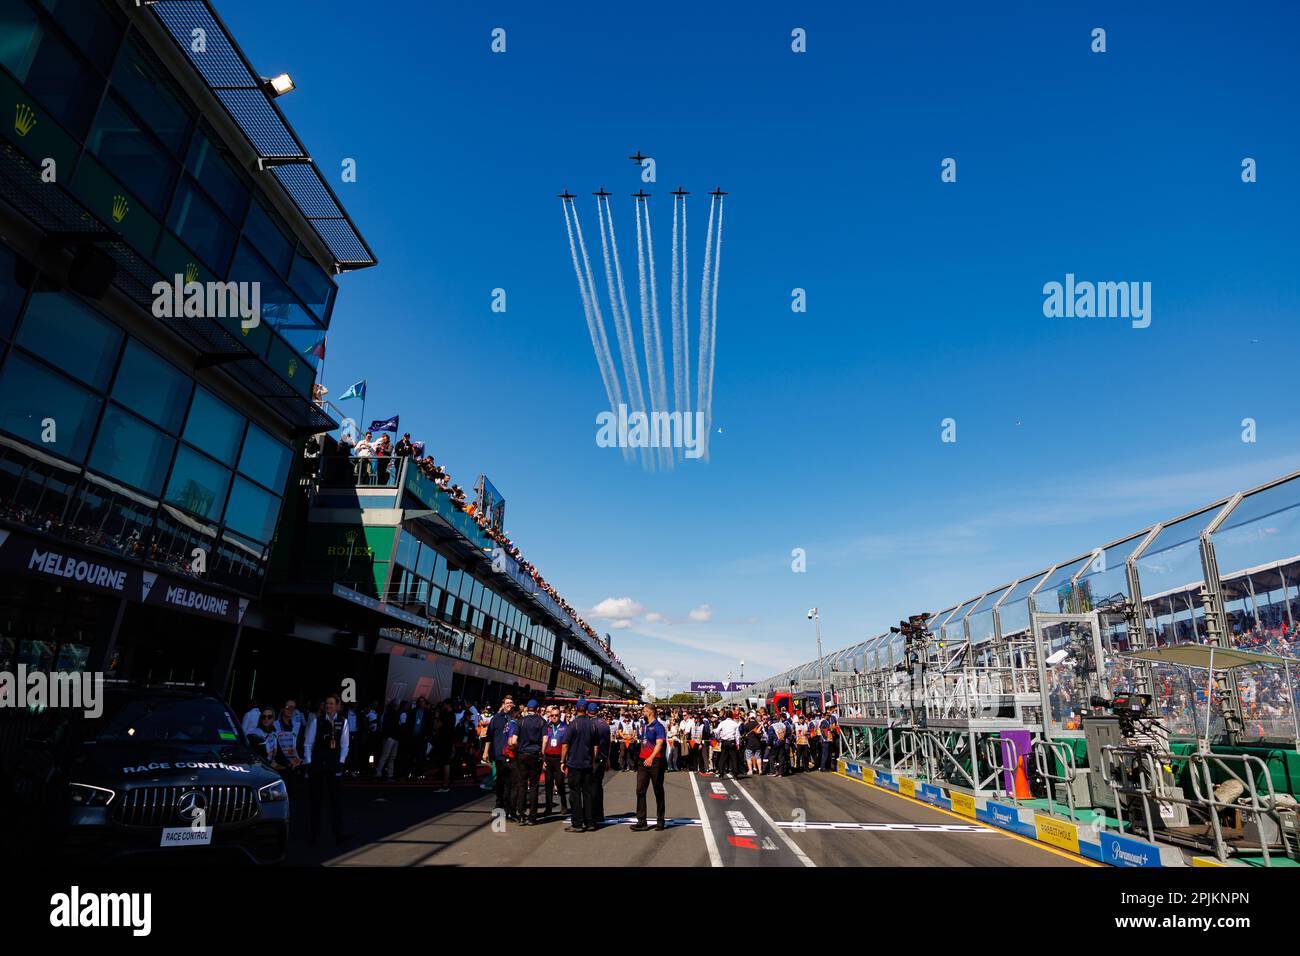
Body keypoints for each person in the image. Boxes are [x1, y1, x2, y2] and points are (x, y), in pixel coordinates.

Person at [304, 694, 350, 846]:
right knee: (315, 801)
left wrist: (341, 763)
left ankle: (338, 834)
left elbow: (344, 745)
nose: (329, 706)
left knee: (336, 801)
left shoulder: (343, 722)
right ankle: (313, 835)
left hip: (333, 766)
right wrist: (309, 762)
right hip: (317, 765)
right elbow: (308, 743)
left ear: (337, 705)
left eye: (332, 704)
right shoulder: (317, 720)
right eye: (327, 704)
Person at [561, 700, 597, 832]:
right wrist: (593, 761)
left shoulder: (573, 724)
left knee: (575, 793)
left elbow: (565, 744)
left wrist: (562, 761)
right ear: (587, 710)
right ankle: (590, 822)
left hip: (574, 763)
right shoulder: (592, 725)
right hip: (587, 763)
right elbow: (595, 746)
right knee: (587, 793)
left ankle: (577, 823)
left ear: (576, 709)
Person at [632, 704, 667, 831]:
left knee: (658, 790)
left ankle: (660, 820)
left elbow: (659, 744)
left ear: (650, 712)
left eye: (644, 711)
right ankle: (641, 820)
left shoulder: (658, 726)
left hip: (656, 761)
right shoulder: (643, 725)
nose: (643, 713)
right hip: (642, 762)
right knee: (640, 790)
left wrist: (651, 757)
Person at [511, 700, 547, 825]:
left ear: (528, 709)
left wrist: (517, 750)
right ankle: (532, 816)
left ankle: (521, 815)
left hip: (522, 754)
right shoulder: (542, 721)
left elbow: (514, 741)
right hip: (535, 754)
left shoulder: (520, 721)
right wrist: (542, 753)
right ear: (537, 709)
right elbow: (545, 739)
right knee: (534, 786)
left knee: (522, 785)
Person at [483, 696, 517, 819]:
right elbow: (489, 736)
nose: (509, 704)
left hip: (512, 755)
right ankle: (499, 803)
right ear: (502, 704)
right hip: (499, 754)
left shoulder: (514, 718)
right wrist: (486, 752)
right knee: (500, 780)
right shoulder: (496, 719)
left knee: (510, 782)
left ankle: (508, 805)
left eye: (511, 703)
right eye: (507, 703)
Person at [541, 706, 568, 817]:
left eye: (556, 715)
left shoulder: (565, 727)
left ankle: (563, 804)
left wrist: (564, 760)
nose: (554, 717)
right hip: (548, 758)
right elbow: (543, 742)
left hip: (559, 759)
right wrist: (543, 758)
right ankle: (548, 807)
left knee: (560, 783)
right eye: (552, 715)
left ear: (560, 715)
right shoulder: (546, 727)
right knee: (548, 784)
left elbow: (567, 745)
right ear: (549, 715)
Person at [589, 702, 610, 827]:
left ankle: (592, 814)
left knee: (591, 787)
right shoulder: (604, 724)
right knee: (598, 786)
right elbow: (609, 742)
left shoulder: (591, 724)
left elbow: (591, 744)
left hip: (593, 758)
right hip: (603, 757)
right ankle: (600, 813)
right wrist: (607, 759)